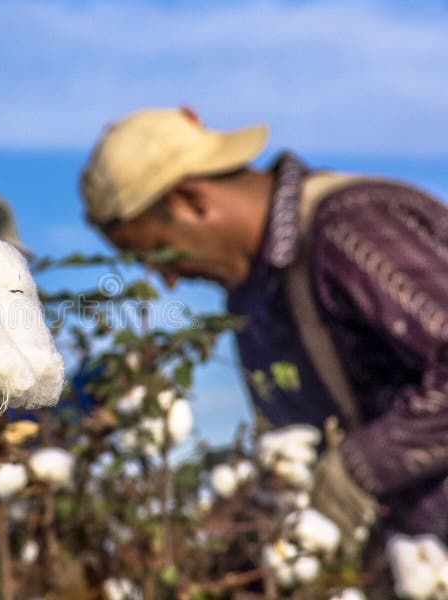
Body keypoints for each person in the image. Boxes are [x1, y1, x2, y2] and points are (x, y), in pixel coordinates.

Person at [79, 107, 448, 559]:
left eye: (159, 251)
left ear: (191, 200)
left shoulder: (350, 227)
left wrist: (358, 470)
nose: (167, 279)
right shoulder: (255, 297)